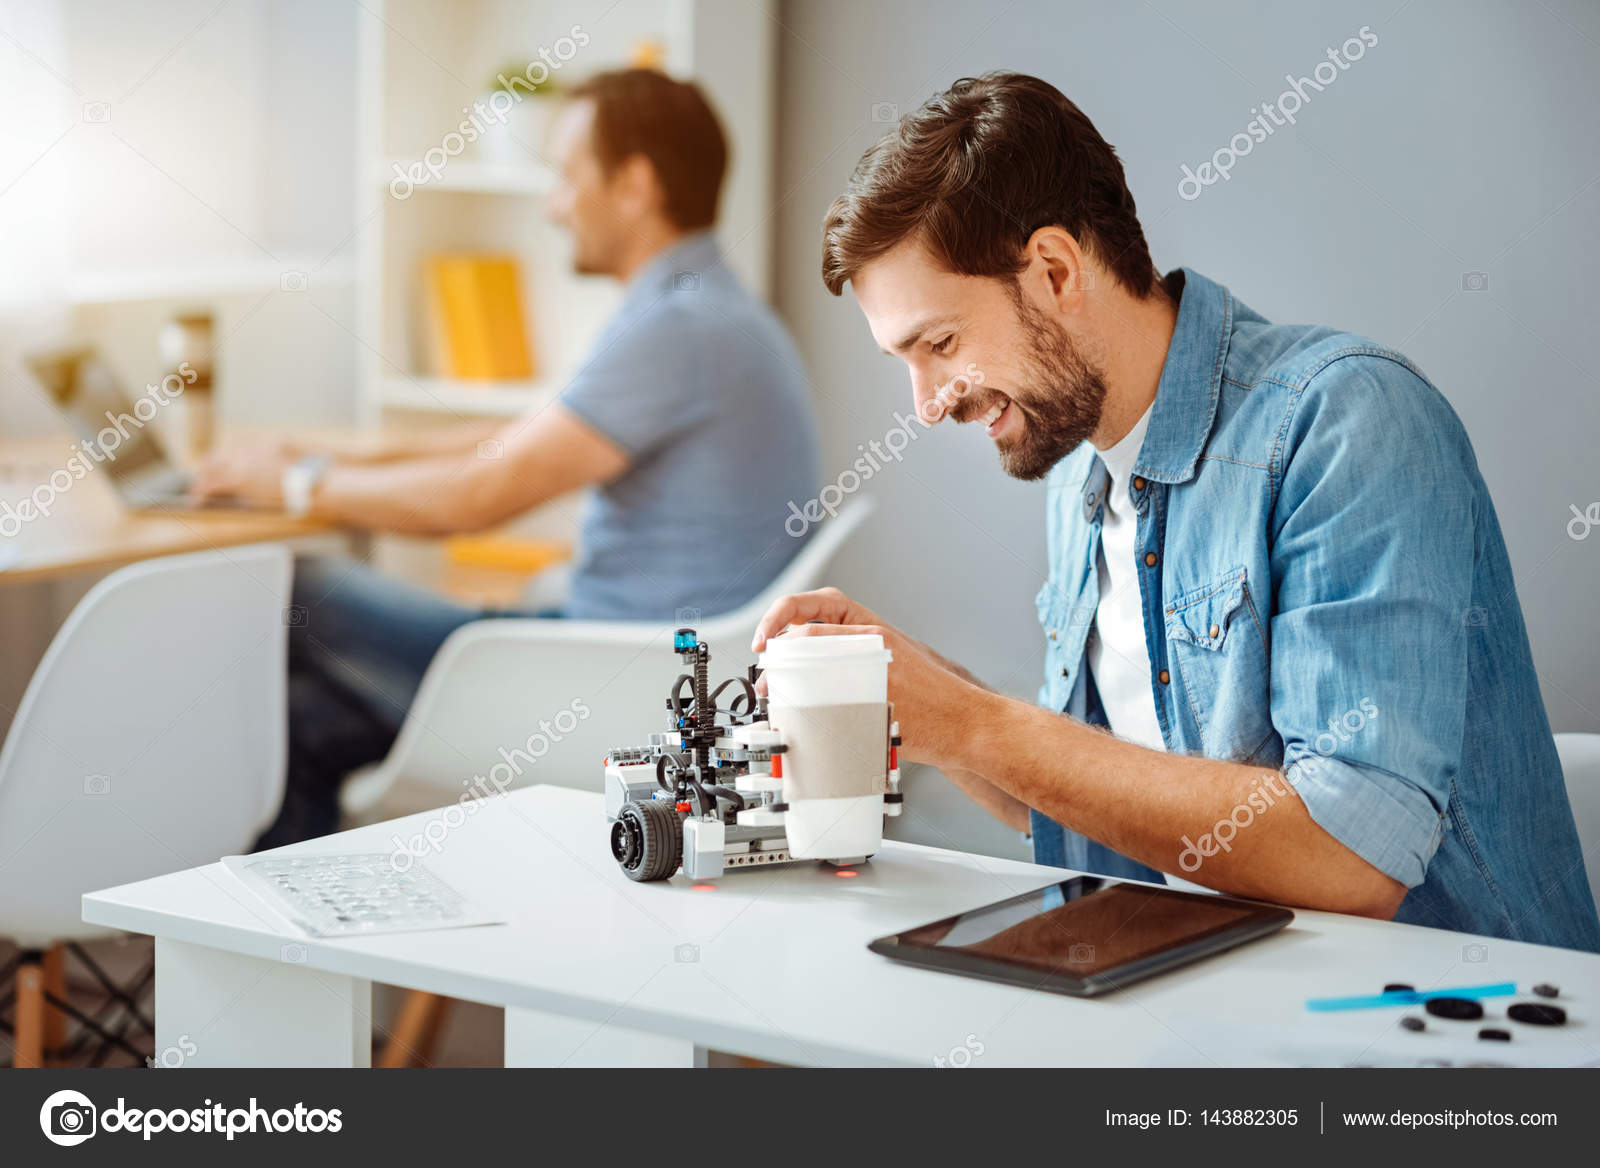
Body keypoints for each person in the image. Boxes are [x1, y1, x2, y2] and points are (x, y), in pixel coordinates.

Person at [753, 72, 1599, 950]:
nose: (926, 404)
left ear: (1054, 270)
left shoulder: (1344, 420)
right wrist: (916, 693)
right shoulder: (1077, 482)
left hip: (1452, 1025)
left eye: (941, 344)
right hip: (1205, 989)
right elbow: (1089, 793)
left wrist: (972, 721)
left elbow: (1352, 858)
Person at [194, 70, 818, 847]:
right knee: (302, 722)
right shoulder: (704, 306)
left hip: (598, 682)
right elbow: (518, 438)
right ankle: (282, 946)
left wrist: (293, 484)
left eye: (566, 177)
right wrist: (318, 450)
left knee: (290, 586)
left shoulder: (677, 328)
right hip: (615, 657)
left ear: (635, 185)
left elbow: (476, 497)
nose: (554, 205)